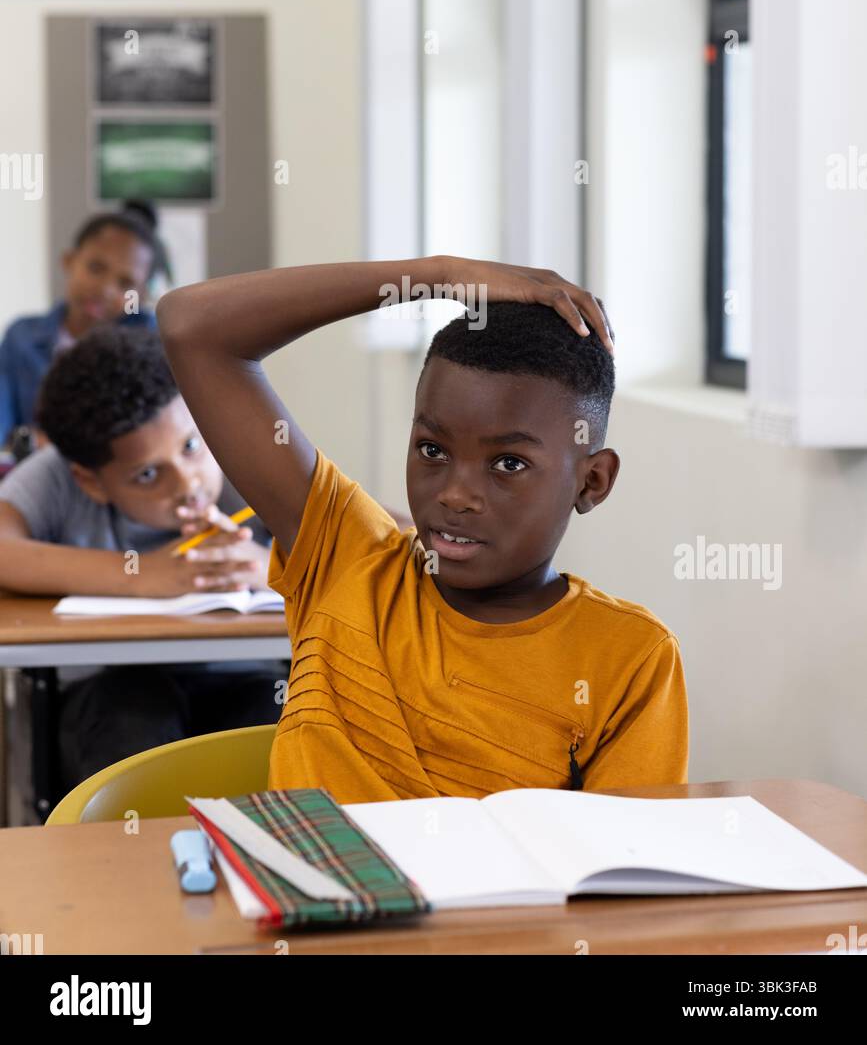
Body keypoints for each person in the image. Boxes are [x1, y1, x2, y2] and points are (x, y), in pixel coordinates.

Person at [157, 256, 688, 803]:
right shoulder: (346, 556)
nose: (455, 493)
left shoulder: (631, 656)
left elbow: (621, 865)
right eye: (432, 450)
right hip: (312, 885)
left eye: (508, 463)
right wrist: (437, 277)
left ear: (592, 481)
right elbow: (190, 326)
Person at [0, 325, 286, 792]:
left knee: (273, 726)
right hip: (107, 692)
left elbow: (380, 533)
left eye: (191, 446)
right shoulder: (55, 478)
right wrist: (141, 576)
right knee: (132, 721)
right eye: (148, 474)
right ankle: (142, 863)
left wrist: (268, 567)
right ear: (91, 481)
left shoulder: (242, 454)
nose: (187, 484)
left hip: (245, 677)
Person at [0, 200, 165, 449]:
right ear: (69, 261)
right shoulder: (21, 336)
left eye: (126, 283)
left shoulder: (148, 339)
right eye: (96, 268)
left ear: (140, 295)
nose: (105, 290)